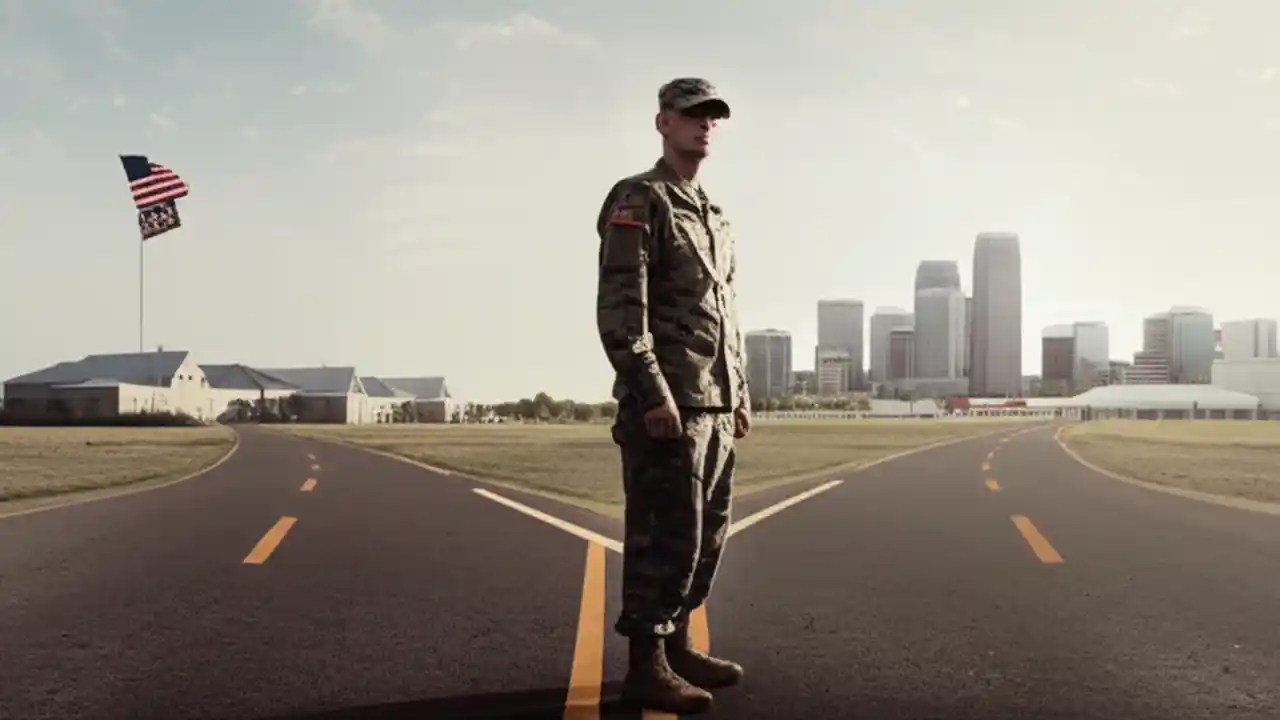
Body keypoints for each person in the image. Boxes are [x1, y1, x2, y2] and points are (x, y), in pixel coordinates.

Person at [594, 77, 752, 714]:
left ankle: (679, 645)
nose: (704, 124)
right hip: (669, 405)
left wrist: (739, 392)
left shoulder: (714, 215)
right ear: (663, 122)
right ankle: (646, 665)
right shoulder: (640, 198)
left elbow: (725, 311)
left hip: (714, 404)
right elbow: (621, 307)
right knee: (664, 536)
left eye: (712, 116)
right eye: (692, 114)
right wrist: (653, 392)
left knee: (705, 537)